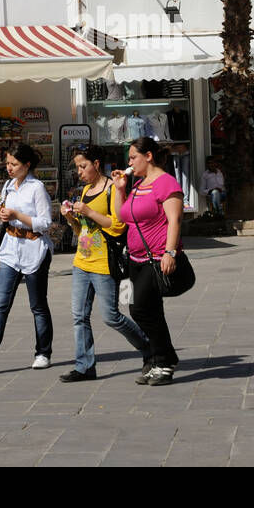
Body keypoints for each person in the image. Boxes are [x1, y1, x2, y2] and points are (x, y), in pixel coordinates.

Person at [59, 145, 151, 382]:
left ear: (96, 164)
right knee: (79, 316)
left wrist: (88, 211)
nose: (80, 172)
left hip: (104, 263)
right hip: (82, 260)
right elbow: (81, 231)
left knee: (111, 316)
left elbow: (117, 225)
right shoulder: (86, 190)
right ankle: (84, 366)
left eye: (83, 166)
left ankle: (149, 347)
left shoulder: (112, 188)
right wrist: (71, 219)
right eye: (77, 167)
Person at [0, 144, 54, 373]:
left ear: (27, 165)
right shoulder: (7, 186)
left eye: (14, 164)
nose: (9, 168)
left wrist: (17, 215)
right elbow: (0, 219)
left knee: (38, 305)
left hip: (34, 249)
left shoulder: (37, 188)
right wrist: (0, 214)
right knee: (0, 305)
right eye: (7, 163)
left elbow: (45, 223)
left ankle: (43, 352)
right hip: (10, 249)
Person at [112, 136, 184, 386]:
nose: (129, 163)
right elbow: (123, 217)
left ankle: (164, 360)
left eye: (133, 157)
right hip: (134, 260)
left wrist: (170, 252)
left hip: (155, 259)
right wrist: (121, 188)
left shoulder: (165, 183)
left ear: (148, 156)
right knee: (140, 308)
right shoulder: (138, 184)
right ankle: (161, 360)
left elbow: (174, 220)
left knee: (140, 308)